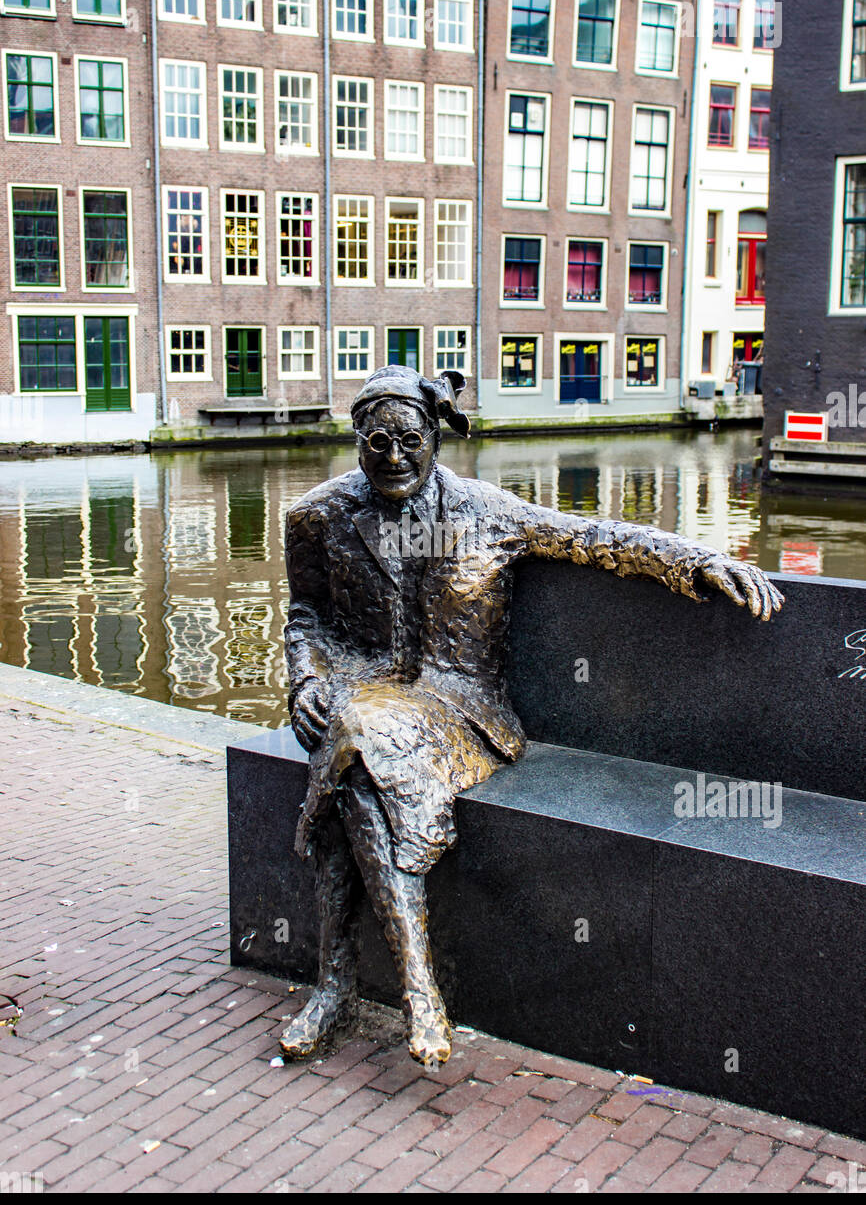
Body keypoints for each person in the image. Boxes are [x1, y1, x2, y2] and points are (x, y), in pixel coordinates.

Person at [279, 365, 783, 1067]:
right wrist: (305, 678)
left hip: (461, 708)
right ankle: (400, 992)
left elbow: (594, 538)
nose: (394, 458)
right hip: (363, 698)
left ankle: (343, 986)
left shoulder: (488, 511)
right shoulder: (316, 516)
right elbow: (306, 615)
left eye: (410, 441)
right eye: (377, 444)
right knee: (356, 746)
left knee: (353, 746)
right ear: (356, 440)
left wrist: (694, 558)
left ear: (435, 439)